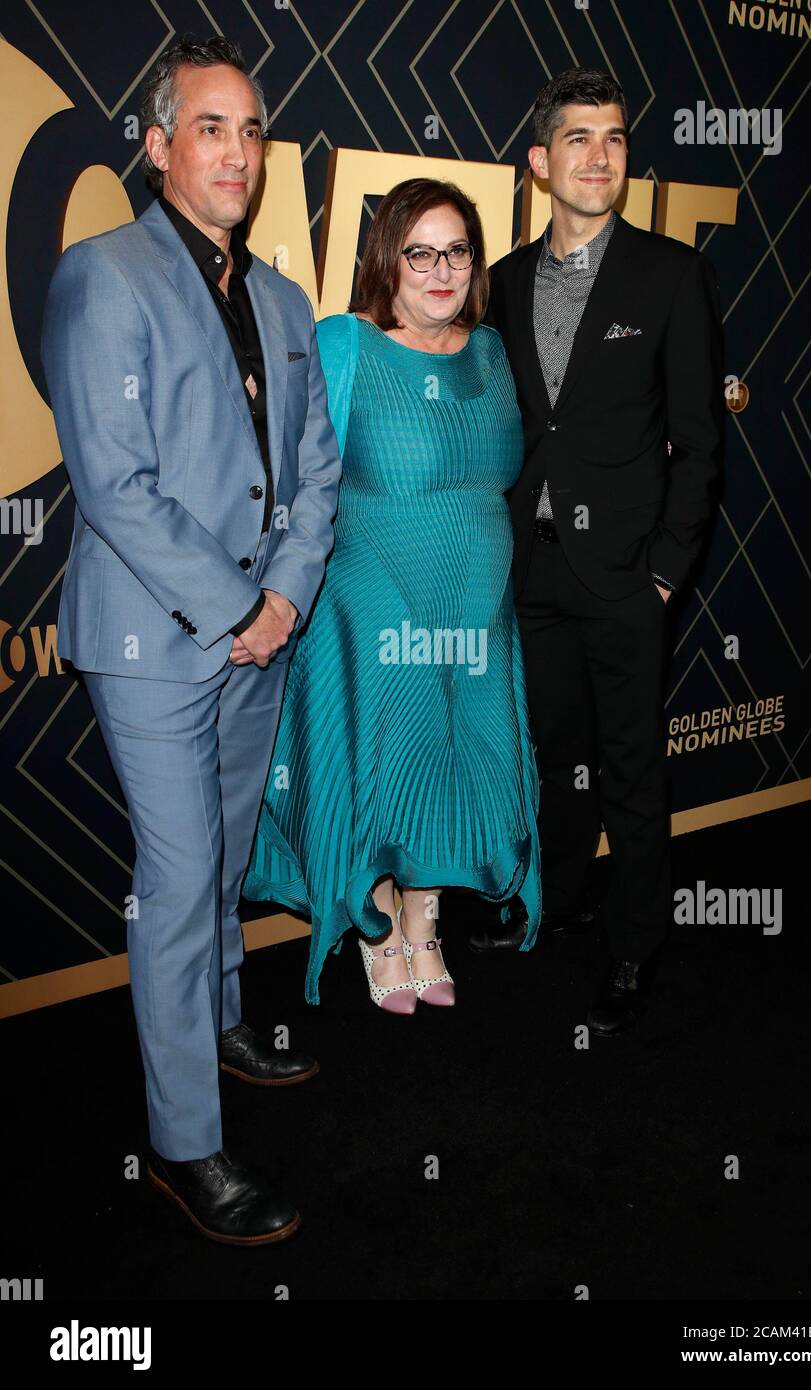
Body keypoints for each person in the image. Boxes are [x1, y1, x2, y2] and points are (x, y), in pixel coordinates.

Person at [40, 36, 341, 1244]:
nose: (236, 150)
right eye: (210, 127)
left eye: (252, 128)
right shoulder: (100, 274)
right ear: (161, 146)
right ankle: (184, 1147)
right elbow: (116, 486)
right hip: (157, 642)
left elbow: (314, 470)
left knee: (221, 853)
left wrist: (285, 595)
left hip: (256, 635)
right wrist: (239, 606)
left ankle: (219, 1023)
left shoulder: (279, 297)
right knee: (174, 888)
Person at [243, 177, 541, 1010]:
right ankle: (376, 922)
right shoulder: (346, 343)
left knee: (457, 764)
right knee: (385, 762)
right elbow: (301, 477)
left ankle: (425, 920)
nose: (441, 269)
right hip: (374, 601)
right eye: (421, 251)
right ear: (388, 259)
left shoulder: (488, 352)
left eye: (457, 251)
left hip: (478, 604)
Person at [473, 68, 724, 1036]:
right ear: (539, 162)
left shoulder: (669, 275)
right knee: (552, 757)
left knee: (629, 765)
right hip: (530, 570)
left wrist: (664, 569)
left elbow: (700, 440)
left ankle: (632, 946)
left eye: (613, 138)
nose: (598, 157)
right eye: (577, 139)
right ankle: (561, 900)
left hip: (624, 573)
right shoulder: (499, 282)